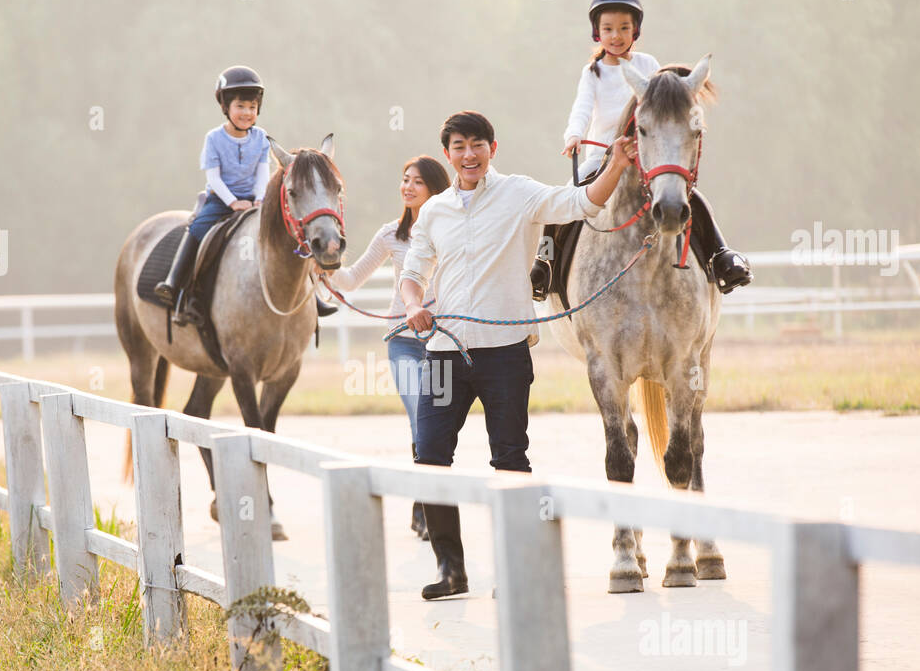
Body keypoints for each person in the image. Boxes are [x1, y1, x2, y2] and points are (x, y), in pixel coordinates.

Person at [399, 110, 636, 599]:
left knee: (510, 459)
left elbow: (580, 202)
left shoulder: (520, 194)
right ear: (448, 153)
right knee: (429, 458)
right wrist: (412, 305)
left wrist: (614, 165)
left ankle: (513, 571)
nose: (469, 155)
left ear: (493, 148)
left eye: (477, 145)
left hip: (505, 352)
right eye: (459, 146)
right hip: (444, 352)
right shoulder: (434, 211)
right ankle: (451, 570)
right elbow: (413, 270)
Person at [533, 0, 751, 298]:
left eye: (624, 28)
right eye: (608, 29)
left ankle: (721, 256)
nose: (616, 35)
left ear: (635, 31)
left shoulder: (648, 64)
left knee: (693, 197)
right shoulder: (592, 72)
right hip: (603, 155)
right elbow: (581, 109)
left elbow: (664, 103)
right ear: (598, 33)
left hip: (646, 153)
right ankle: (544, 265)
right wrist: (574, 135)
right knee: (567, 199)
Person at [316, 156, 451, 540]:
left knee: (436, 428)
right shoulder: (391, 234)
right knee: (421, 417)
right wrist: (325, 262)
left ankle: (421, 503)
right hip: (404, 343)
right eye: (405, 179)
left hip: (443, 343)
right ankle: (428, 509)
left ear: (435, 189)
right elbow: (352, 278)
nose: (408, 187)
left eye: (418, 182)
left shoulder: (454, 231)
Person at [153, 65, 337, 324]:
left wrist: (259, 198)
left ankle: (313, 295)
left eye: (252, 107)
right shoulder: (214, 138)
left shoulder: (261, 138)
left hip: (254, 200)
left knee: (292, 234)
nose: (247, 113)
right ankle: (178, 287)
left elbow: (263, 172)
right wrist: (232, 202)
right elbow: (213, 178)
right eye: (240, 106)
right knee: (197, 230)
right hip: (221, 199)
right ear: (225, 107)